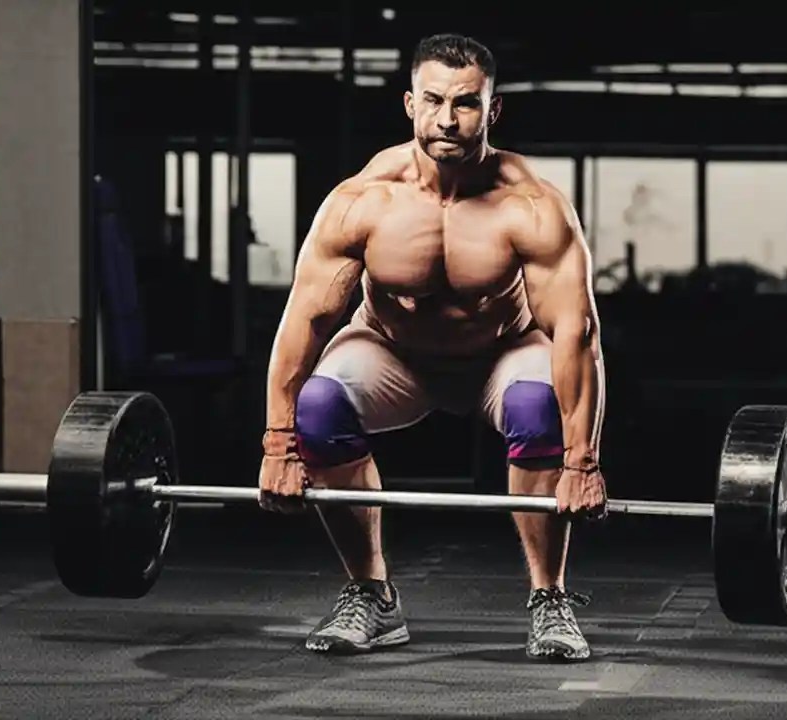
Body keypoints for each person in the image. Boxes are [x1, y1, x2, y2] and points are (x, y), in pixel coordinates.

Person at [256, 32, 608, 663]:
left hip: (500, 354)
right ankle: (372, 594)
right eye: (434, 100)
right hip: (394, 353)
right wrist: (279, 444)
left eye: (466, 103)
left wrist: (582, 462)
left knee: (537, 406)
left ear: (492, 110)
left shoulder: (531, 207)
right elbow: (304, 321)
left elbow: (576, 334)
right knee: (318, 408)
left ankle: (549, 598)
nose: (448, 119)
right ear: (409, 104)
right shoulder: (362, 201)